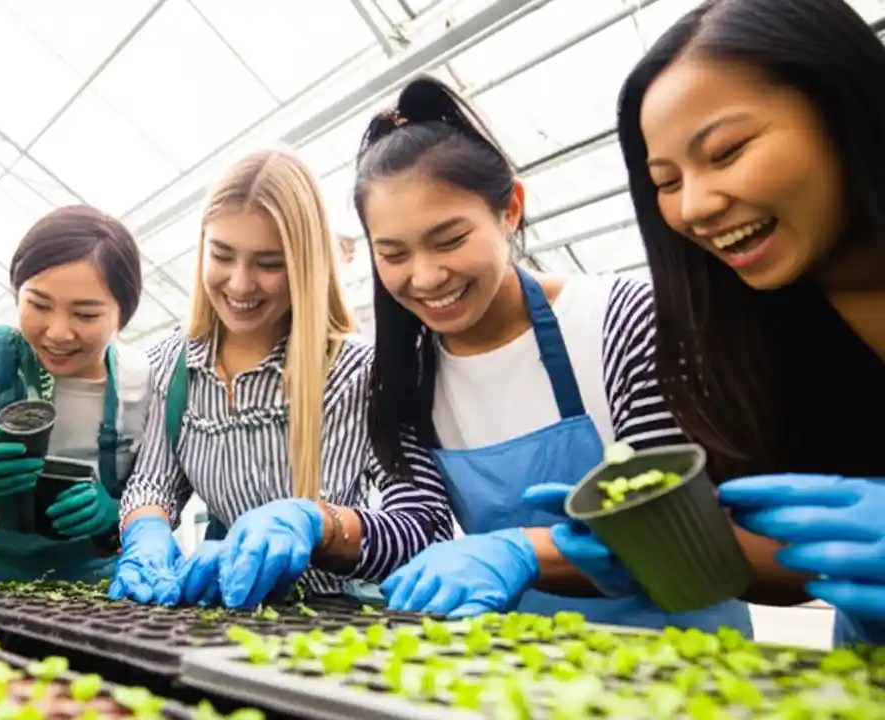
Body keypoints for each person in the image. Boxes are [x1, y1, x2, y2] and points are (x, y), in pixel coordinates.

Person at [353, 76, 807, 634]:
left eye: (449, 240)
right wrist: (323, 528)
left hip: (689, 665)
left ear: (510, 209)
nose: (424, 276)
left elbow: (687, 539)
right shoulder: (407, 377)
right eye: (393, 253)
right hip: (531, 671)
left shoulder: (620, 324)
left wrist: (526, 551)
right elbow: (414, 531)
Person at [614, 0, 884, 645]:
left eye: (727, 150)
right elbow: (791, 568)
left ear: (843, 107)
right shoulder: (760, 340)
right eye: (666, 180)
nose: (697, 206)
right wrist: (645, 550)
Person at [112, 148, 453, 608]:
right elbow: (153, 482)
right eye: (222, 255)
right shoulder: (175, 368)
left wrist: (321, 525)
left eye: (269, 263)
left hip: (337, 625)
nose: (239, 284)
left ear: (306, 262)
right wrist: (147, 533)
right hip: (229, 616)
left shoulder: (366, 375)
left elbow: (424, 526)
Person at [0, 205, 151, 584]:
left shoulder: (142, 385)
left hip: (95, 596)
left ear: (123, 315)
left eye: (85, 315)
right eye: (38, 304)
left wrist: (116, 515)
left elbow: (161, 510)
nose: (58, 332)